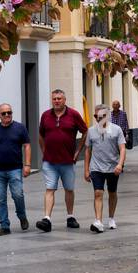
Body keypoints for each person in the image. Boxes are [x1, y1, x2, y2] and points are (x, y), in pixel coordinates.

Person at [36, 89, 87, 232]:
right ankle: (47, 219)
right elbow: (41, 135)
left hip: (67, 161)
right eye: (54, 99)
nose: (57, 101)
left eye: (59, 98)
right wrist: (44, 151)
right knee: (49, 189)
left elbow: (85, 131)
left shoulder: (74, 115)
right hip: (50, 162)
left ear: (65, 100)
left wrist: (77, 152)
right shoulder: (45, 115)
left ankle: (70, 217)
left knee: (69, 189)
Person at [0, 104, 31, 236]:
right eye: (3, 113)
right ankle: (4, 225)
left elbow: (27, 146)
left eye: (9, 112)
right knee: (0, 199)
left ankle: (22, 216)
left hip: (15, 169)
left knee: (18, 195)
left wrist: (27, 165)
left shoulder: (20, 128)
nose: (7, 115)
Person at [84, 103, 126, 232]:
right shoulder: (91, 131)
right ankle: (98, 221)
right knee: (98, 193)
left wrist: (120, 164)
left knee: (112, 192)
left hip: (113, 167)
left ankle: (111, 218)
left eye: (102, 116)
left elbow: (122, 148)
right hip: (96, 167)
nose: (99, 118)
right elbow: (87, 151)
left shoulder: (116, 129)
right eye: (97, 116)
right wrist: (86, 169)